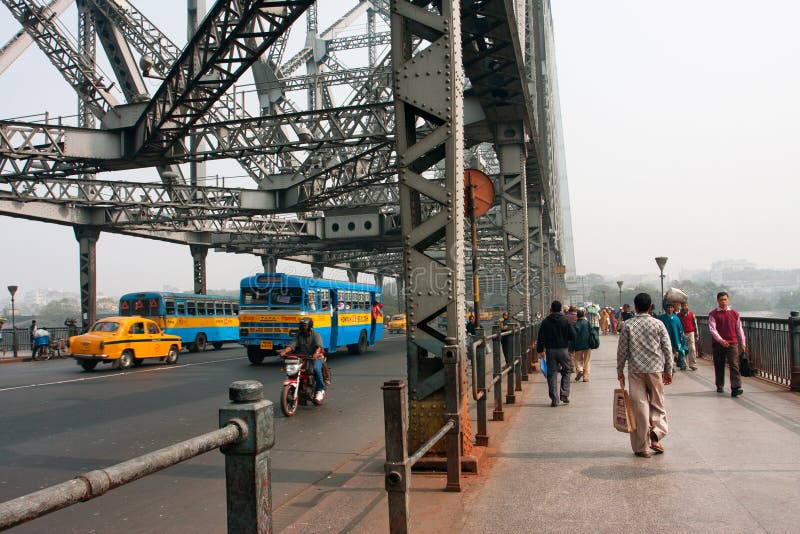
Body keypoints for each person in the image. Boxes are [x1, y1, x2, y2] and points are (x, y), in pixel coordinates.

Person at [617, 293, 673, 458]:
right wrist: (668, 371)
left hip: (636, 371)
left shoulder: (628, 325)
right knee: (658, 403)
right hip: (655, 369)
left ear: (635, 306)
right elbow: (667, 349)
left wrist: (620, 370)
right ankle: (656, 436)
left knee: (639, 407)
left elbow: (622, 350)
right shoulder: (658, 324)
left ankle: (642, 447)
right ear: (650, 307)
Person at [536, 300, 576, 407]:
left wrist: (540, 350)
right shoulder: (565, 320)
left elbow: (541, 337)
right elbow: (573, 335)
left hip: (550, 351)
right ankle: (564, 394)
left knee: (552, 374)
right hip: (563, 350)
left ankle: (554, 399)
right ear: (561, 309)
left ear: (551, 309)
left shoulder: (545, 322)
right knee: (566, 371)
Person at [279, 318, 328, 402]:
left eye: (304, 326)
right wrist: (284, 351)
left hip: (314, 357)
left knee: (316, 369)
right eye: (301, 326)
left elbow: (319, 346)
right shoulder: (298, 335)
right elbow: (292, 345)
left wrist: (316, 353)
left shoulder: (316, 335)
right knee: (293, 371)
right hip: (301, 358)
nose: (302, 327)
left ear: (309, 326)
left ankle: (320, 390)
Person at [708, 292, 747, 397]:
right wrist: (721, 340)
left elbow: (739, 329)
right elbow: (712, 329)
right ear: (718, 301)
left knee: (734, 364)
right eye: (721, 300)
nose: (723, 302)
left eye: (725, 299)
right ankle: (720, 385)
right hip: (718, 344)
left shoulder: (735, 314)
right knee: (719, 364)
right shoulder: (713, 314)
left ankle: (736, 387)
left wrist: (743, 342)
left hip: (732, 343)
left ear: (728, 300)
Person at [659, 303, 688, 370]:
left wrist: (681, 338)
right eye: (668, 307)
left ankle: (675, 365)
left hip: (675, 337)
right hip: (665, 338)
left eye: (671, 307)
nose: (669, 309)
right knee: (667, 352)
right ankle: (669, 367)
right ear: (665, 309)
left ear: (673, 308)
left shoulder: (676, 318)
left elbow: (680, 329)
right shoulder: (661, 318)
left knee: (675, 351)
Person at [572, 309, 592, 382]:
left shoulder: (575, 324)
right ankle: (585, 377)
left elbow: (573, 336)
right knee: (587, 361)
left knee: (577, 359)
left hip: (578, 346)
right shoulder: (588, 323)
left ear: (577, 316)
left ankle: (580, 370)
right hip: (587, 345)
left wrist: (571, 346)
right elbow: (592, 332)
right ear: (584, 315)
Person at [678, 302, 699, 370]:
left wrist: (697, 335)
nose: (684, 307)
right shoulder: (678, 315)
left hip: (690, 333)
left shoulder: (692, 314)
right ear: (681, 307)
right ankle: (684, 364)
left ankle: (692, 364)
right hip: (682, 333)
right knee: (682, 349)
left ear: (687, 306)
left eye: (685, 306)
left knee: (692, 348)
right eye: (683, 306)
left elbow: (695, 325)